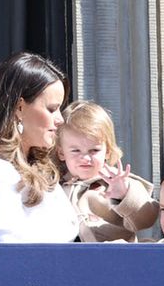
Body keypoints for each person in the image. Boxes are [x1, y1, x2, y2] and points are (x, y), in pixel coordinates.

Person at [0, 52, 77, 243]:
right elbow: (6, 253)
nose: (60, 119)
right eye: (51, 109)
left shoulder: (41, 168)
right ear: (19, 108)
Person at [55, 100, 158, 242]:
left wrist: (124, 195)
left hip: (112, 256)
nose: (85, 158)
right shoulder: (55, 185)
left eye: (94, 150)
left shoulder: (114, 183)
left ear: (108, 151)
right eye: (75, 150)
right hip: (67, 257)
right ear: (61, 153)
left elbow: (147, 218)